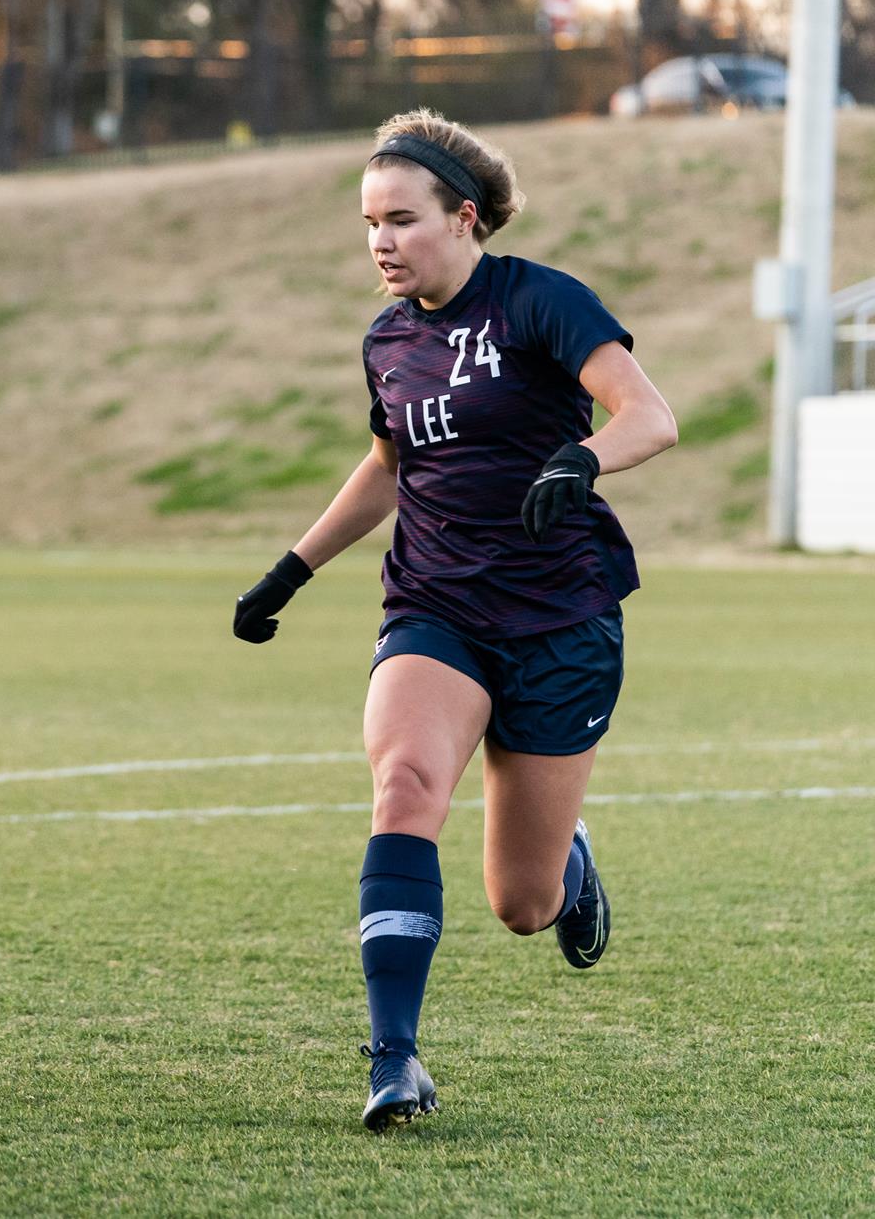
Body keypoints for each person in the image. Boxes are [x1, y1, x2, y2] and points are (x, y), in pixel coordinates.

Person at [230, 109, 677, 1132]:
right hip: (434, 605)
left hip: (559, 617)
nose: (378, 241)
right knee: (404, 783)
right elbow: (390, 468)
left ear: (462, 218)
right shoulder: (386, 340)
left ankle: (564, 862)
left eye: (399, 218)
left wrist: (580, 459)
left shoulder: (539, 302)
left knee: (518, 904)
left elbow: (648, 416)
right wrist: (288, 571)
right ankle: (394, 1058)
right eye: (366, 223)